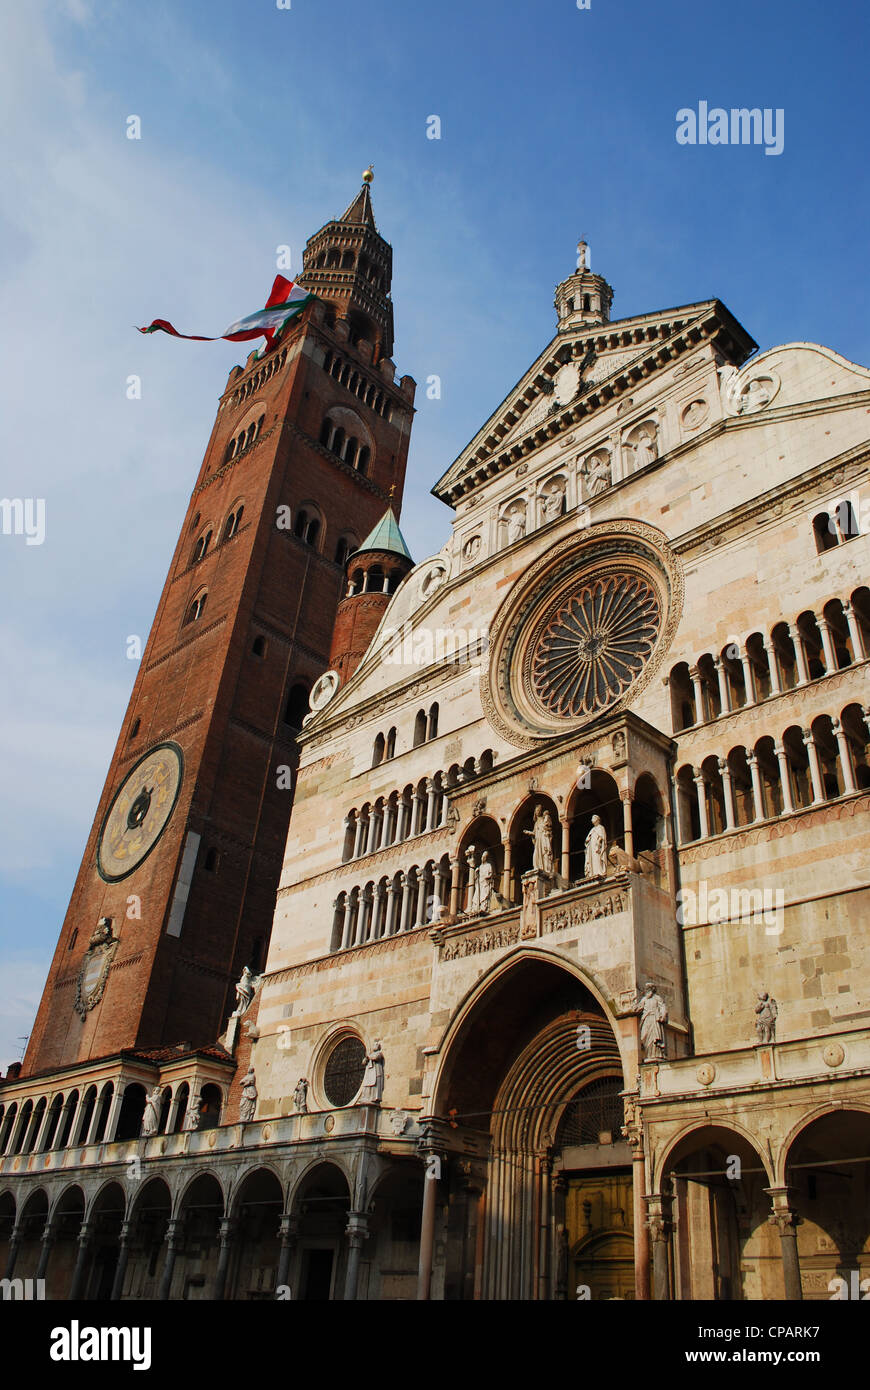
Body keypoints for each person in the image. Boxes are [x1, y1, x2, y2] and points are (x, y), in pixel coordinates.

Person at [635, 983, 668, 1060]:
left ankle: (656, 1055)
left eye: (648, 989)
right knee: (645, 1037)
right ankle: (648, 1054)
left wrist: (662, 1016)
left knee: (654, 1039)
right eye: (646, 989)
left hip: (655, 1020)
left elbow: (663, 1007)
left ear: (652, 990)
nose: (647, 991)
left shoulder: (657, 998)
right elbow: (638, 1008)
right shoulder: (644, 999)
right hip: (646, 1020)